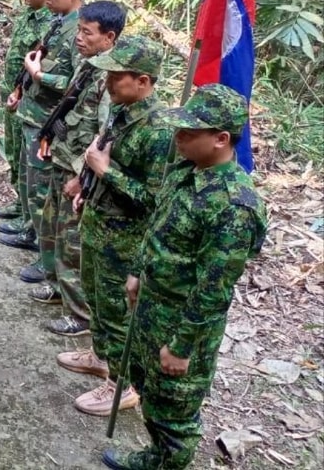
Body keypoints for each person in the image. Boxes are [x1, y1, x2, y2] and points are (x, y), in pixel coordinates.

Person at [103, 84, 267, 469]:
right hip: (151, 305)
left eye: (190, 132)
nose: (178, 137)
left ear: (221, 139)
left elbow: (214, 288)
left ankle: (169, 460)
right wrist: (137, 272)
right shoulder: (186, 172)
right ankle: (156, 454)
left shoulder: (233, 205)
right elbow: (159, 227)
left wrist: (181, 347)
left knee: (174, 409)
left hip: (181, 322)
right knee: (147, 388)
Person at [62, 38, 172, 416]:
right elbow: (101, 151)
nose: (108, 82)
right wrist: (86, 182)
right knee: (96, 300)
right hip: (99, 223)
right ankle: (100, 356)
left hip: (125, 238)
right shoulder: (122, 111)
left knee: (117, 312)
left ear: (143, 81)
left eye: (117, 77)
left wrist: (105, 171)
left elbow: (154, 200)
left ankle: (122, 385)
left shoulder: (159, 131)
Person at [27, 1, 125, 340]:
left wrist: (81, 179)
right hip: (61, 158)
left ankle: (80, 315)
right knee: (52, 226)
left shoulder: (110, 78)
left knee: (72, 242)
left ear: (109, 36)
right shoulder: (88, 65)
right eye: (79, 30)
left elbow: (104, 136)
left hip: (76, 171)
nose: (79, 38)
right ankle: (56, 286)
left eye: (87, 32)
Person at [3, 0, 89, 261]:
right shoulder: (57, 23)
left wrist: (40, 77)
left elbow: (77, 83)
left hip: (48, 123)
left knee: (43, 193)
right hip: (33, 114)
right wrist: (22, 88)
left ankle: (46, 256)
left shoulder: (79, 32)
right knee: (29, 185)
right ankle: (31, 232)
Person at [0, 0, 52, 238]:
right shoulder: (29, 16)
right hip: (15, 94)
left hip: (31, 99)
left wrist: (22, 91)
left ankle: (31, 219)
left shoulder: (50, 24)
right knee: (15, 152)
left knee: (29, 159)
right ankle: (20, 204)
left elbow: (40, 65)